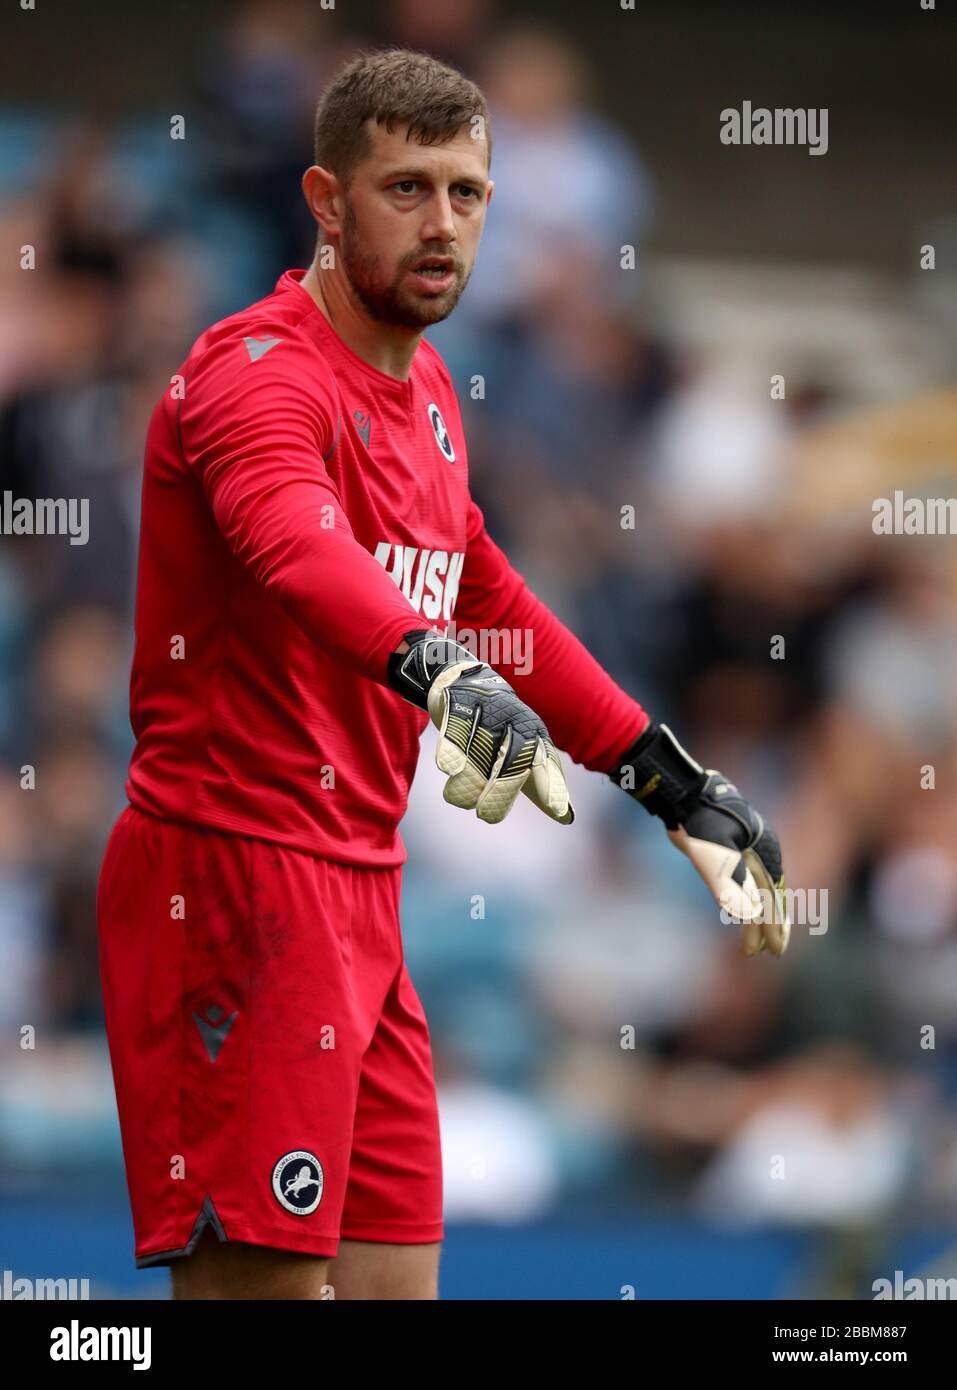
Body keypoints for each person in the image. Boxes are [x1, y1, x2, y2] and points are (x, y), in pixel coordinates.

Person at [96, 47, 787, 1302]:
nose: (444, 224)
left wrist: (673, 781)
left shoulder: (424, 401)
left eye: (468, 193)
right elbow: (300, 555)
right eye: (407, 188)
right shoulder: (253, 377)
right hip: (235, 882)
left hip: (361, 899)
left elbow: (494, 598)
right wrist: (453, 684)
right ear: (324, 199)